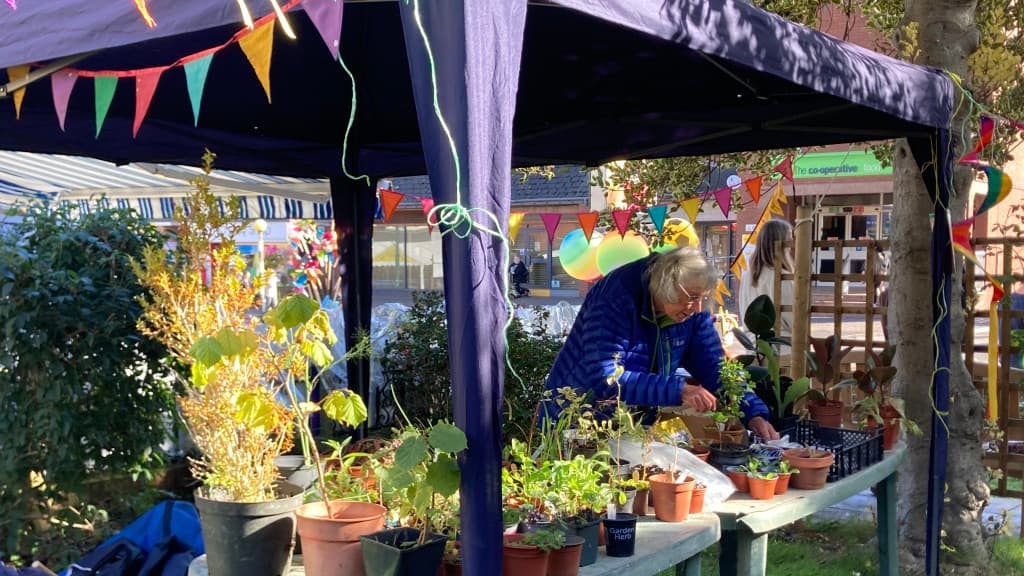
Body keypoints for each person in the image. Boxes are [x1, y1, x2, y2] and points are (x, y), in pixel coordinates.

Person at [542, 246, 779, 440]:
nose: (697, 308)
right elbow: (606, 377)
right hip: (576, 417)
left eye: (703, 298)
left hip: (632, 424)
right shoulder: (615, 298)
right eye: (692, 298)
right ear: (666, 286)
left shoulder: (691, 310)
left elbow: (716, 367)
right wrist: (679, 389)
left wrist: (753, 413)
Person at [738, 219, 794, 337]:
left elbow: (745, 313)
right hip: (782, 345)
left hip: (754, 346)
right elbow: (794, 320)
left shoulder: (747, 275)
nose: (792, 244)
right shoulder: (784, 277)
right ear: (781, 243)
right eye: (789, 238)